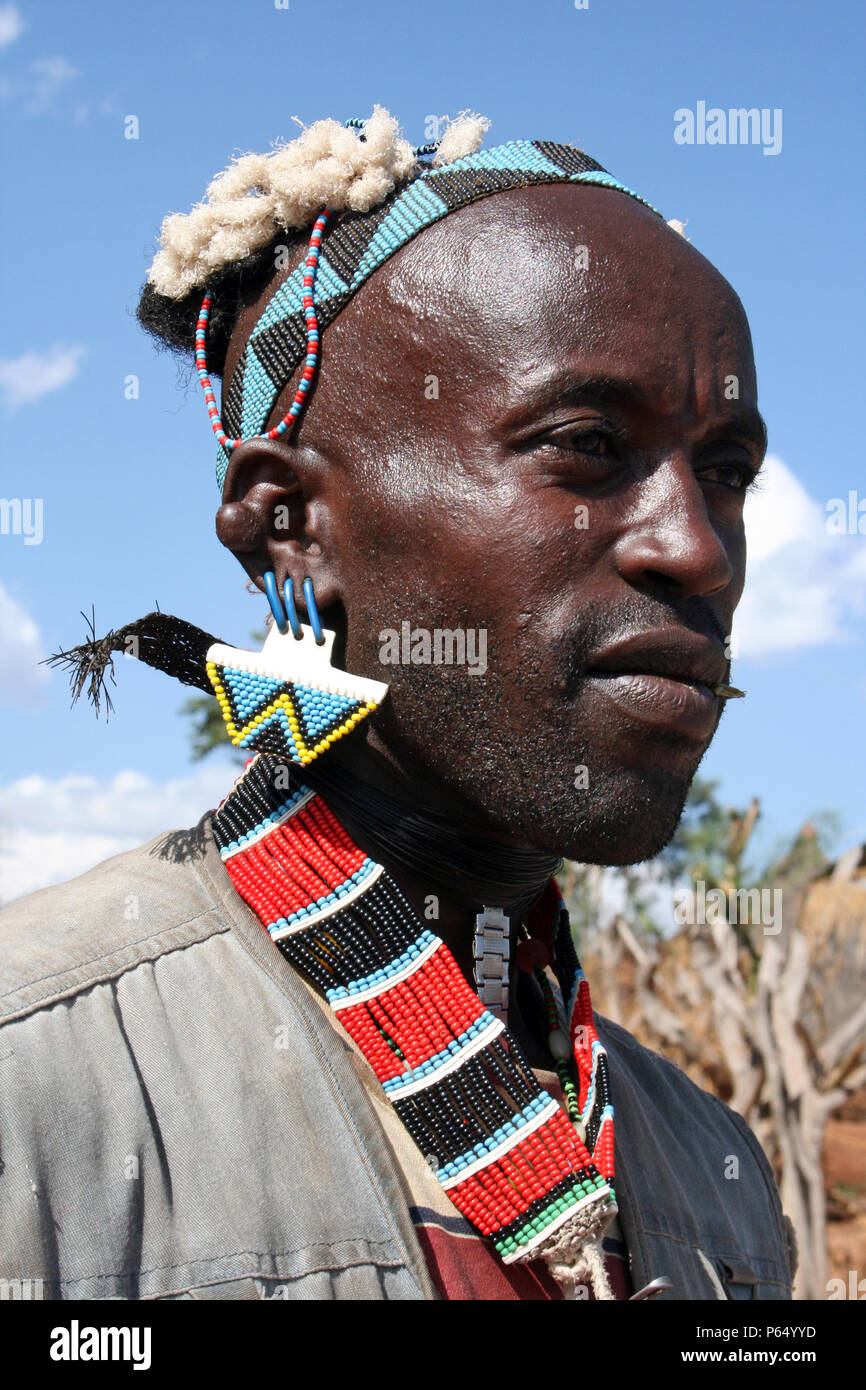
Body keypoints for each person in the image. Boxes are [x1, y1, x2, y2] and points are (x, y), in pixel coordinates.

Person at [0, 109, 796, 1301]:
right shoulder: (39, 1084)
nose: (699, 550)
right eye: (584, 443)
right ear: (292, 526)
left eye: (724, 471)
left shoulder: (706, 1161)